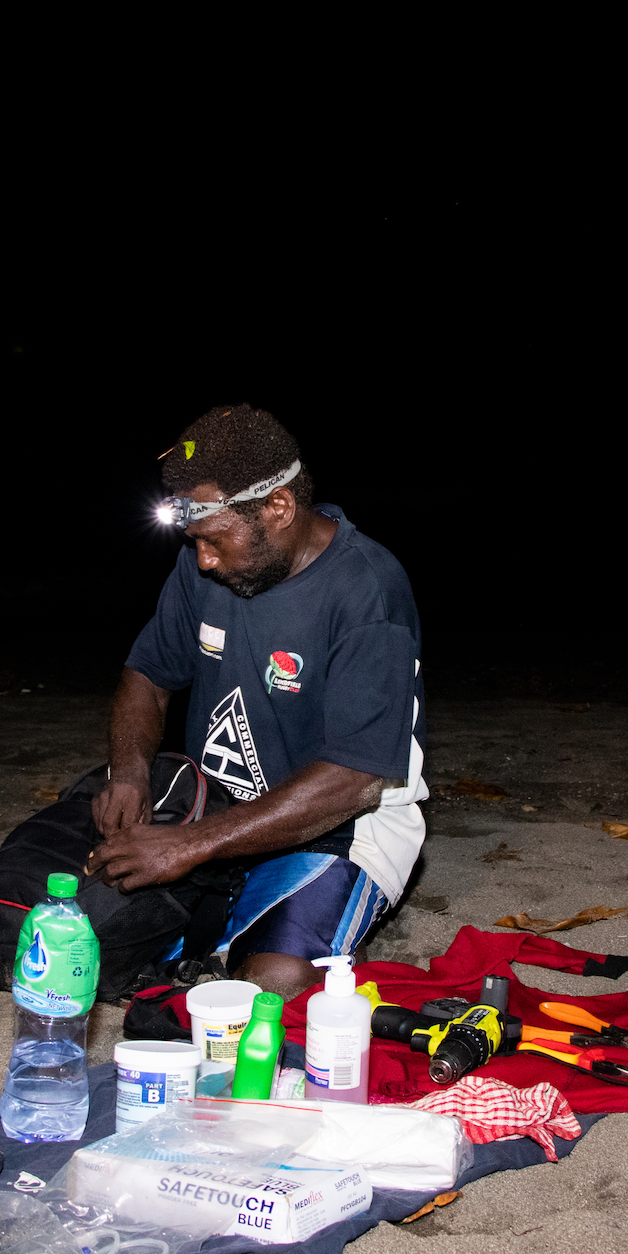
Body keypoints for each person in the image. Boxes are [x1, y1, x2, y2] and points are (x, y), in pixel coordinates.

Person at [87, 403, 428, 998]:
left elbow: (355, 779)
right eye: (194, 541)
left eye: (215, 541)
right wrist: (131, 772)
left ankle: (318, 915)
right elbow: (147, 674)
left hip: (341, 822)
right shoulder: (205, 571)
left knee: (275, 985)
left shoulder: (365, 590)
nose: (203, 560)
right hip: (215, 806)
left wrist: (190, 846)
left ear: (279, 506)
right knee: (81, 941)